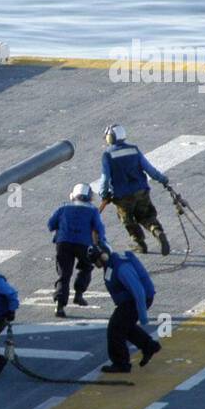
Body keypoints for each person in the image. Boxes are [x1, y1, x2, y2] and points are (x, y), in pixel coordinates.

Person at [87, 243, 162, 374]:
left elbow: (138, 291)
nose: (95, 264)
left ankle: (121, 364)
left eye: (95, 260)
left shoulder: (121, 268)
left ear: (102, 257)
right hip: (130, 300)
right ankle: (149, 346)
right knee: (124, 325)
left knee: (115, 329)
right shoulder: (111, 263)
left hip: (138, 299)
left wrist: (143, 316)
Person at [98, 124, 171, 255]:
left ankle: (139, 243)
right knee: (147, 215)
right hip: (141, 191)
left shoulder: (107, 155)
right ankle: (157, 231)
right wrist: (163, 180)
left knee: (127, 220)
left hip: (122, 196)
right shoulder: (134, 150)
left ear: (110, 138)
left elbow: (105, 178)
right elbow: (150, 170)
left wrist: (103, 193)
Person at [47, 182, 107, 317]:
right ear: (89, 197)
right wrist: (101, 243)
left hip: (63, 244)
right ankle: (79, 294)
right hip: (83, 244)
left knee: (64, 274)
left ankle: (59, 305)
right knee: (86, 267)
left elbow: (51, 224)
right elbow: (99, 229)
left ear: (73, 196)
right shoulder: (92, 210)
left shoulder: (63, 207)